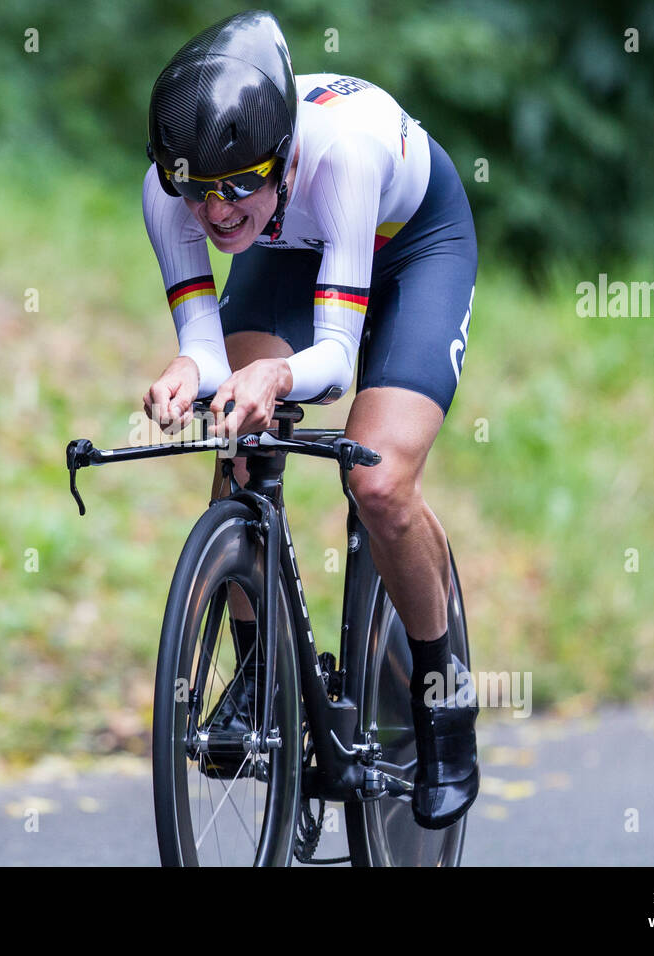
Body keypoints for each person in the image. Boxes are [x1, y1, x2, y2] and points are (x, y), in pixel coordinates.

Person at [141, 9, 479, 830]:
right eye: (197, 191)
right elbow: (209, 352)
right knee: (240, 433)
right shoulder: (172, 192)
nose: (215, 216)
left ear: (282, 160)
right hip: (290, 252)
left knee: (379, 479)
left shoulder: (342, 157)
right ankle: (263, 682)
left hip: (409, 243)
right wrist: (192, 369)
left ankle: (444, 703)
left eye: (236, 188)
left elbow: (331, 361)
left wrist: (279, 370)